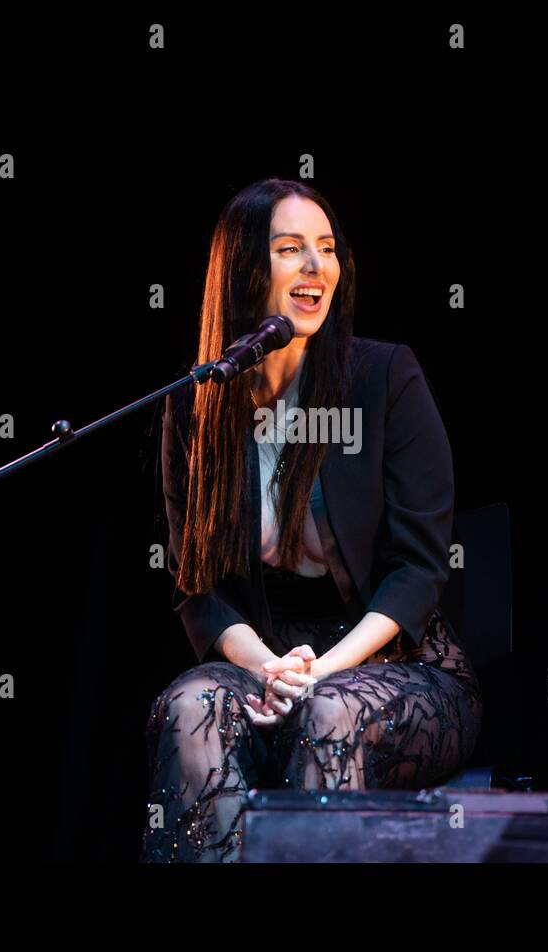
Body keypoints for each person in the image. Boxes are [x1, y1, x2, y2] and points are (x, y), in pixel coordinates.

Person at [141, 178, 482, 862]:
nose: (315, 267)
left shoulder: (383, 378)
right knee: (188, 709)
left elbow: (418, 570)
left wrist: (319, 675)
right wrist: (271, 668)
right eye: (291, 249)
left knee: (329, 714)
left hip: (398, 662)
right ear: (245, 270)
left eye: (326, 249)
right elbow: (197, 588)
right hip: (272, 660)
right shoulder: (196, 406)